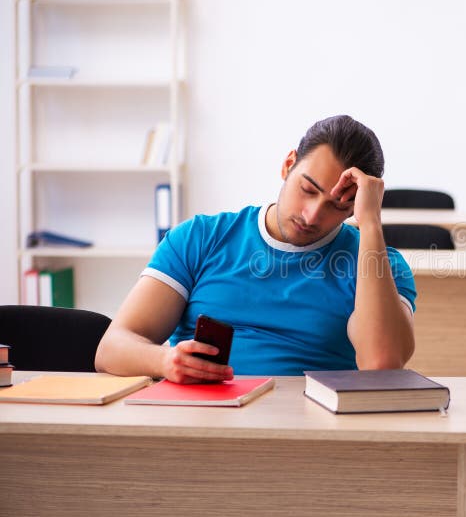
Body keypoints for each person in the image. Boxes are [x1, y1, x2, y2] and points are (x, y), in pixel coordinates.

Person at [95, 115, 416, 384]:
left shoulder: (378, 265)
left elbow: (382, 366)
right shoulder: (199, 237)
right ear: (288, 165)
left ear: (353, 210)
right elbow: (111, 349)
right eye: (307, 189)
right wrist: (164, 360)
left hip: (309, 431)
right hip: (199, 421)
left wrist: (371, 223)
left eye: (336, 205)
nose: (312, 215)